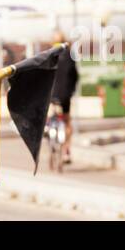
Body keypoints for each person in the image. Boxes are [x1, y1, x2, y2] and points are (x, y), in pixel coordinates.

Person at [47, 33, 79, 163]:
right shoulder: (70, 56)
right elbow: (75, 77)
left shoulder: (49, 55)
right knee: (67, 121)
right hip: (65, 95)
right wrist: (71, 92)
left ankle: (48, 132)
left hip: (50, 95)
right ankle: (66, 151)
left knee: (48, 116)